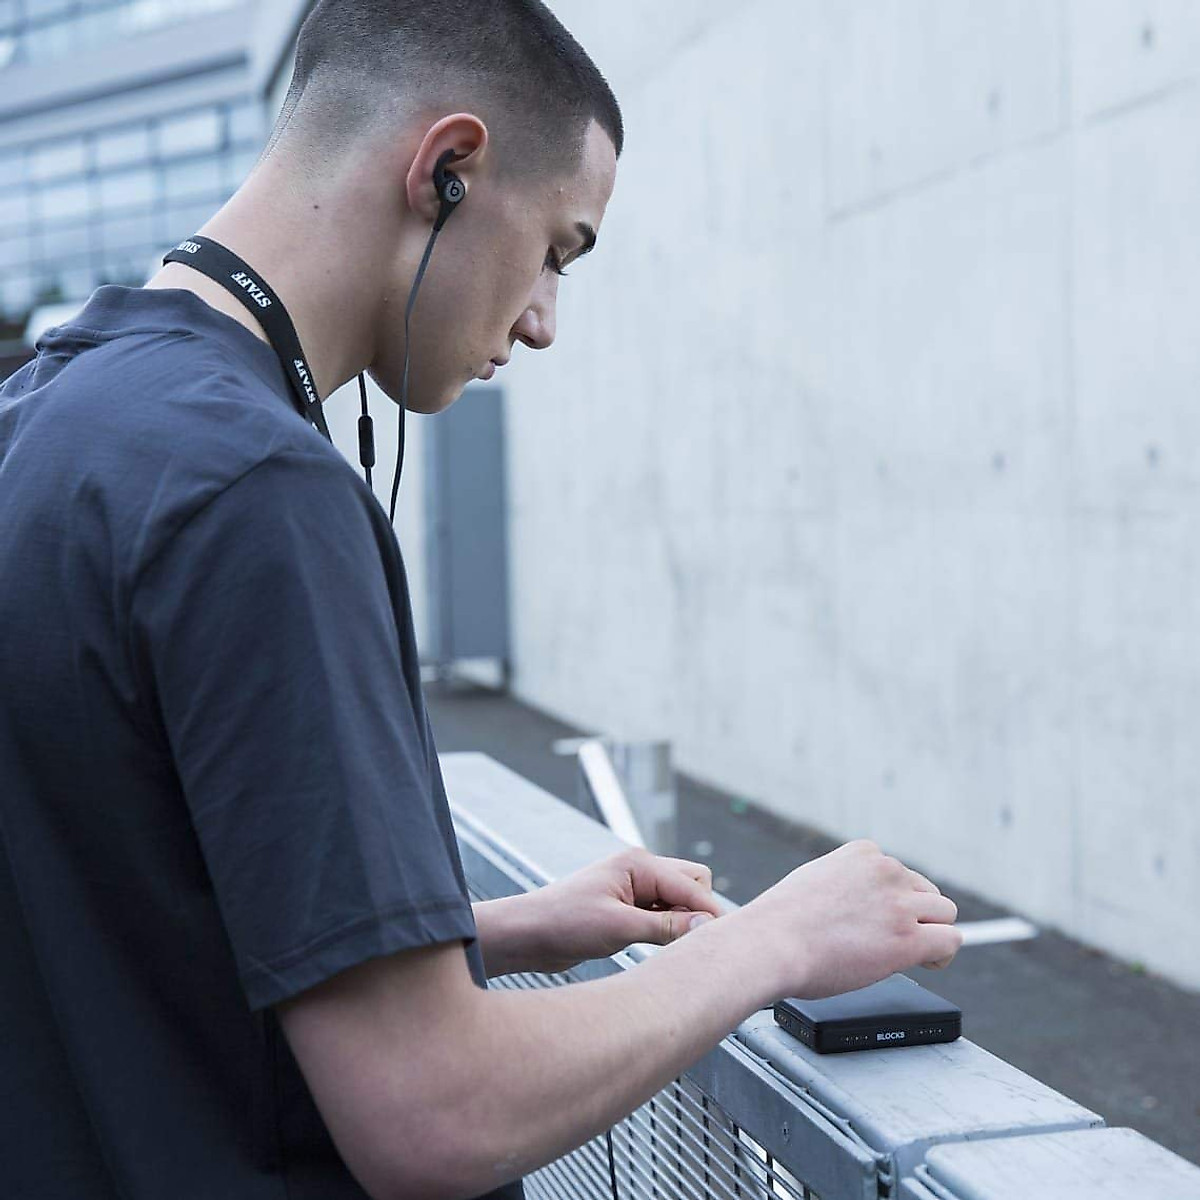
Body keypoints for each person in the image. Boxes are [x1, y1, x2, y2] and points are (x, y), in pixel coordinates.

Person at [0, 2, 963, 1197]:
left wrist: (484, 926)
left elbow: (130, 892)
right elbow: (432, 1109)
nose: (547, 321)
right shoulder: (252, 490)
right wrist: (778, 942)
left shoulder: (46, 419)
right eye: (559, 248)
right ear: (448, 169)